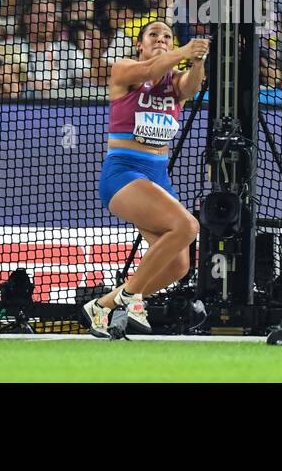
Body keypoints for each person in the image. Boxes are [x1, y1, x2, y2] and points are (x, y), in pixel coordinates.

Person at [81, 21, 209, 338]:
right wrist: (181, 50)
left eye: (167, 36)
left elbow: (192, 88)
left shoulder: (174, 84)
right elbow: (151, 69)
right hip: (123, 171)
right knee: (188, 226)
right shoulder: (124, 70)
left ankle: (103, 305)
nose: (161, 39)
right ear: (140, 44)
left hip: (157, 175)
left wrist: (198, 60)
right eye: (154, 35)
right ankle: (132, 298)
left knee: (179, 266)